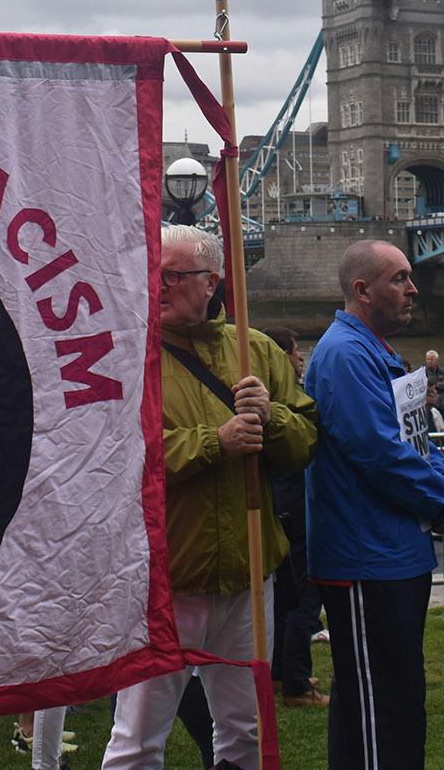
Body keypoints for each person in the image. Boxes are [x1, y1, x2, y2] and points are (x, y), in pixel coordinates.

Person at [102, 227, 318, 770]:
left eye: (177, 275)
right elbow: (116, 453)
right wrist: (212, 443)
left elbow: (306, 442)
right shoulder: (129, 354)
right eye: (158, 273)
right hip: (167, 579)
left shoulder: (256, 350)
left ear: (213, 282)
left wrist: (271, 420)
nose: (163, 285)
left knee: (243, 730)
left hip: (248, 576)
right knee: (138, 738)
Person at [304, 240, 444, 770]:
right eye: (399, 279)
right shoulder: (346, 355)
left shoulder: (377, 350)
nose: (413, 289)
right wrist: (443, 499)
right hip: (366, 558)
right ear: (361, 290)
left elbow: (413, 440)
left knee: (378, 699)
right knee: (383, 709)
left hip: (393, 552)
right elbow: (379, 451)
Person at [259, 326, 327, 709]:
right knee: (305, 596)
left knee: (286, 598)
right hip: (296, 506)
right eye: (295, 351)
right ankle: (298, 685)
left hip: (281, 505)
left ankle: (283, 671)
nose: (300, 358)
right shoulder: (283, 398)